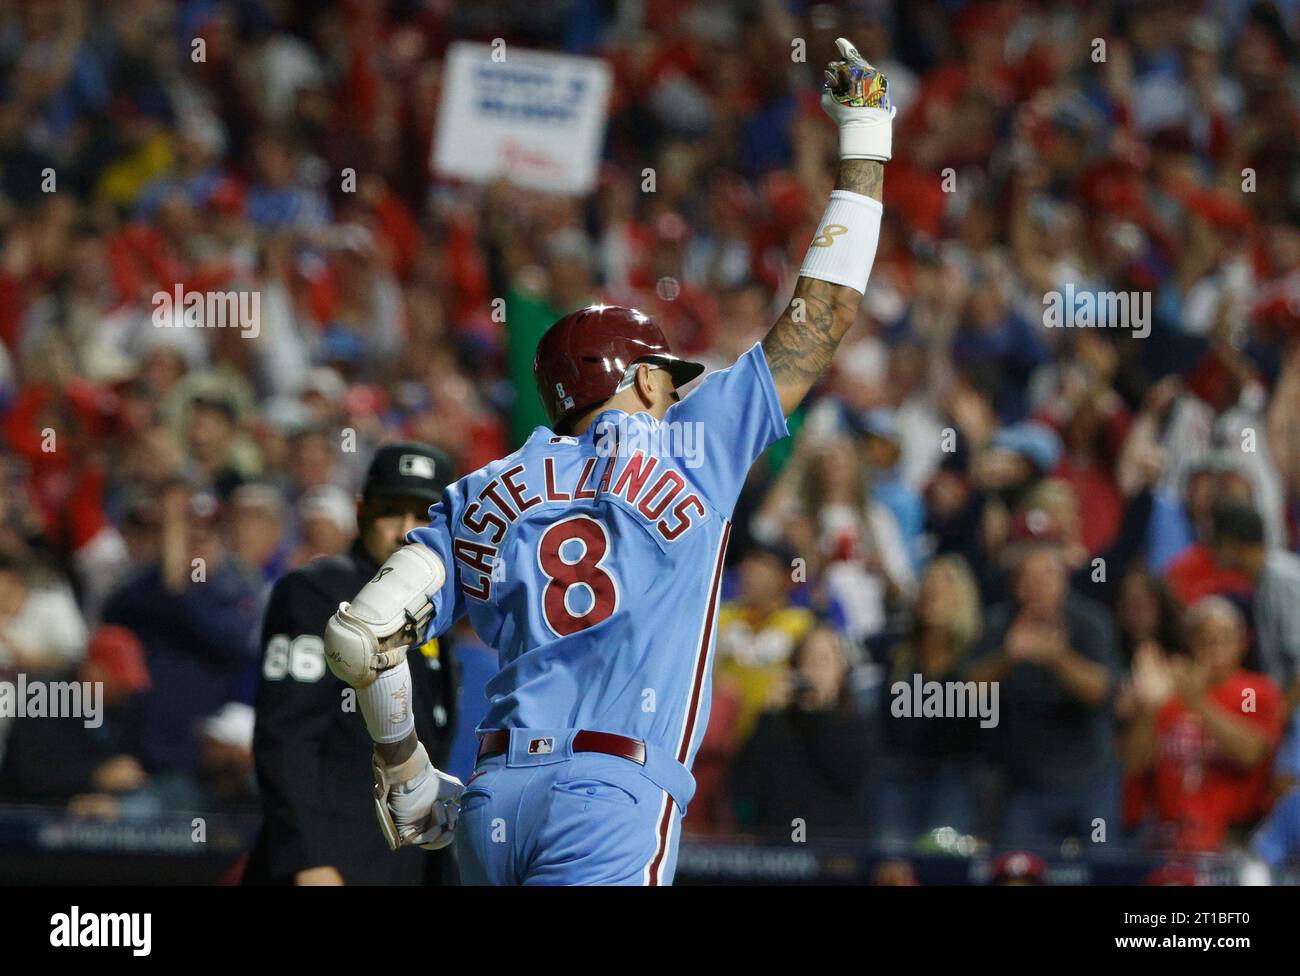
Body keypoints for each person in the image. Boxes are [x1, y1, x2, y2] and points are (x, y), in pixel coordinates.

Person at [318, 37, 893, 885]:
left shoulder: (485, 489)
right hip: (611, 789)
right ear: (646, 379)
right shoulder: (695, 443)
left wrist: (404, 769)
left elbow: (360, 637)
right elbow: (826, 313)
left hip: (494, 796)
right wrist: (867, 136)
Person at [243, 442, 460, 885]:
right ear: (361, 512)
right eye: (390, 511)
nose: (406, 531)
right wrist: (308, 859)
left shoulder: (435, 613)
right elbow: (285, 736)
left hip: (402, 866)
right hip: (331, 865)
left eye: (424, 516)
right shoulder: (318, 593)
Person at [1122, 597, 1285, 852]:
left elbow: (1250, 753)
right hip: (1169, 836)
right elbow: (1134, 763)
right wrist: (1150, 706)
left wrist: (1198, 704)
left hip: (1233, 837)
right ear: (1191, 644)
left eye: (1224, 639)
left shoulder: (1256, 691)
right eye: (1205, 640)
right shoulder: (1168, 694)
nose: (1214, 648)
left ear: (1242, 644)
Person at [730, 625, 870, 837]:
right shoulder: (778, 723)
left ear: (841, 672)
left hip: (833, 847)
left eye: (823, 660)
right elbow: (743, 784)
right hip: (776, 844)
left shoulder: (855, 723)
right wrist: (768, 715)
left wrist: (821, 711)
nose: (814, 669)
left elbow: (847, 777)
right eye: (808, 659)